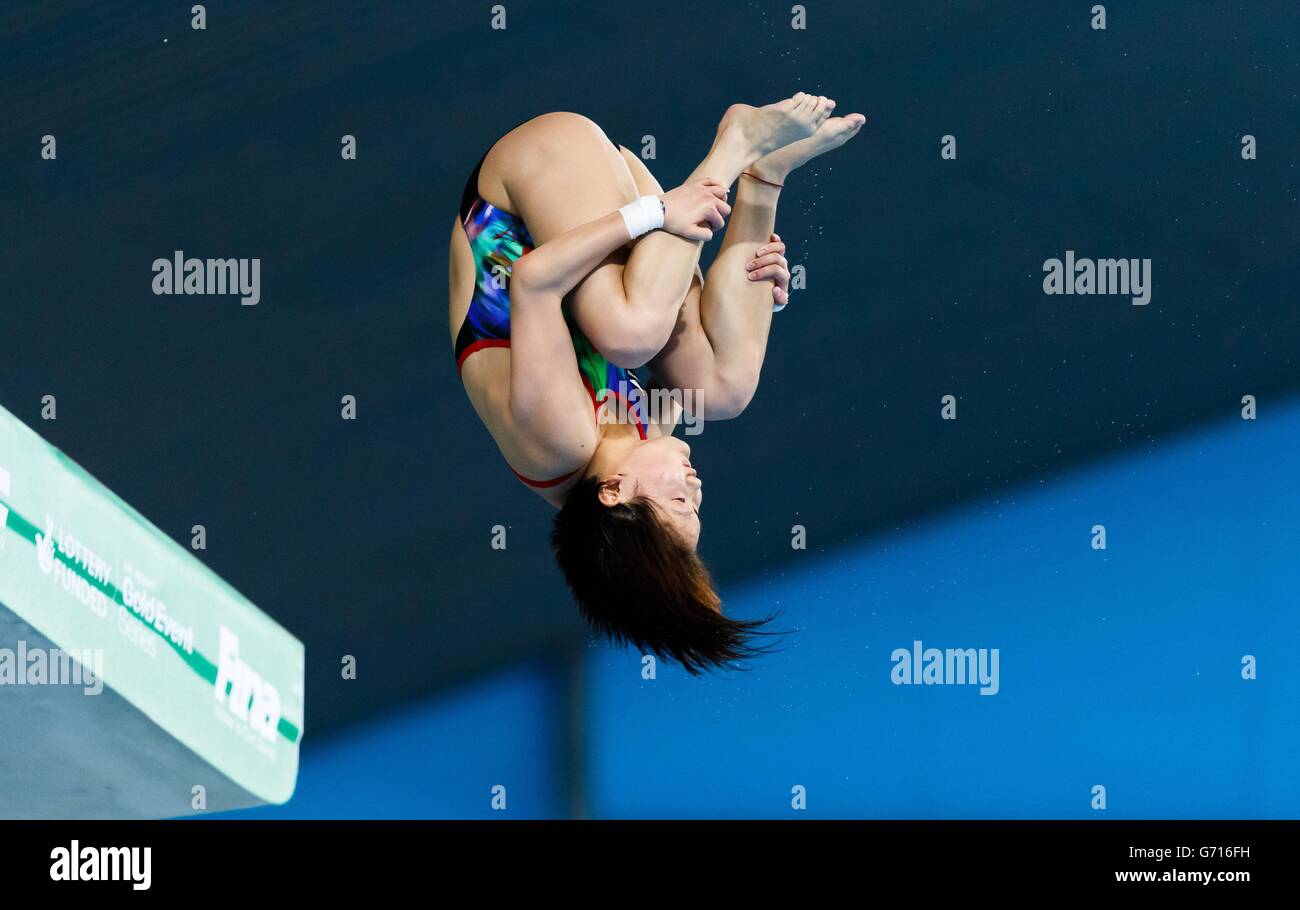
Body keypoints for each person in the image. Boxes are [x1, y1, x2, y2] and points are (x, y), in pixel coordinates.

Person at [448, 94, 865, 672]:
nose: (696, 488)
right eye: (697, 505)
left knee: (629, 333)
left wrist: (655, 217)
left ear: (613, 495)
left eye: (678, 500)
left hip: (532, 176)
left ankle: (736, 143)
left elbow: (535, 281)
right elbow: (698, 319)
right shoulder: (646, 430)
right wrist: (753, 294)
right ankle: (762, 176)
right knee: (722, 388)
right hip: (602, 201)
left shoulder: (557, 440)